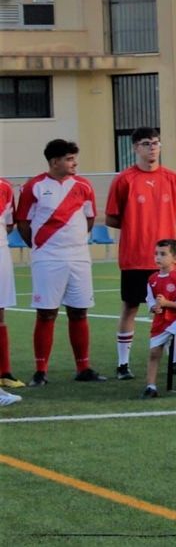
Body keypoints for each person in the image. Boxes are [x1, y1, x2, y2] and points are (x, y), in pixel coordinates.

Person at [17, 139, 105, 385]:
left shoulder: (84, 185)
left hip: (78, 256)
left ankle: (83, 368)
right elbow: (23, 223)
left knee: (79, 311)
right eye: (69, 159)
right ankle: (40, 371)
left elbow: (89, 218)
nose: (75, 163)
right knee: (46, 313)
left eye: (75, 158)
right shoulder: (33, 186)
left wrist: (75, 241)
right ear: (55, 162)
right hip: (48, 258)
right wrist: (41, 246)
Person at [105, 128, 176, 380]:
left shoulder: (172, 179)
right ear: (135, 148)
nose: (153, 147)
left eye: (156, 143)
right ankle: (123, 364)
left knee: (172, 308)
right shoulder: (124, 179)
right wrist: (136, 229)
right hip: (135, 256)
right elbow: (112, 217)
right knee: (130, 306)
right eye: (146, 143)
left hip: (167, 260)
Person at [142, 239, 176, 399]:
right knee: (154, 353)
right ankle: (151, 386)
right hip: (161, 320)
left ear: (175, 259)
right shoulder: (152, 279)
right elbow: (150, 299)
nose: (158, 257)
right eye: (156, 254)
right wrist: (154, 307)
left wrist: (166, 303)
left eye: (163, 254)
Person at [0, 177, 22, 388]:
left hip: (0, 253)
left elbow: (8, 225)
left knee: (0, 312)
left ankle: (4, 372)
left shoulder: (5, 187)